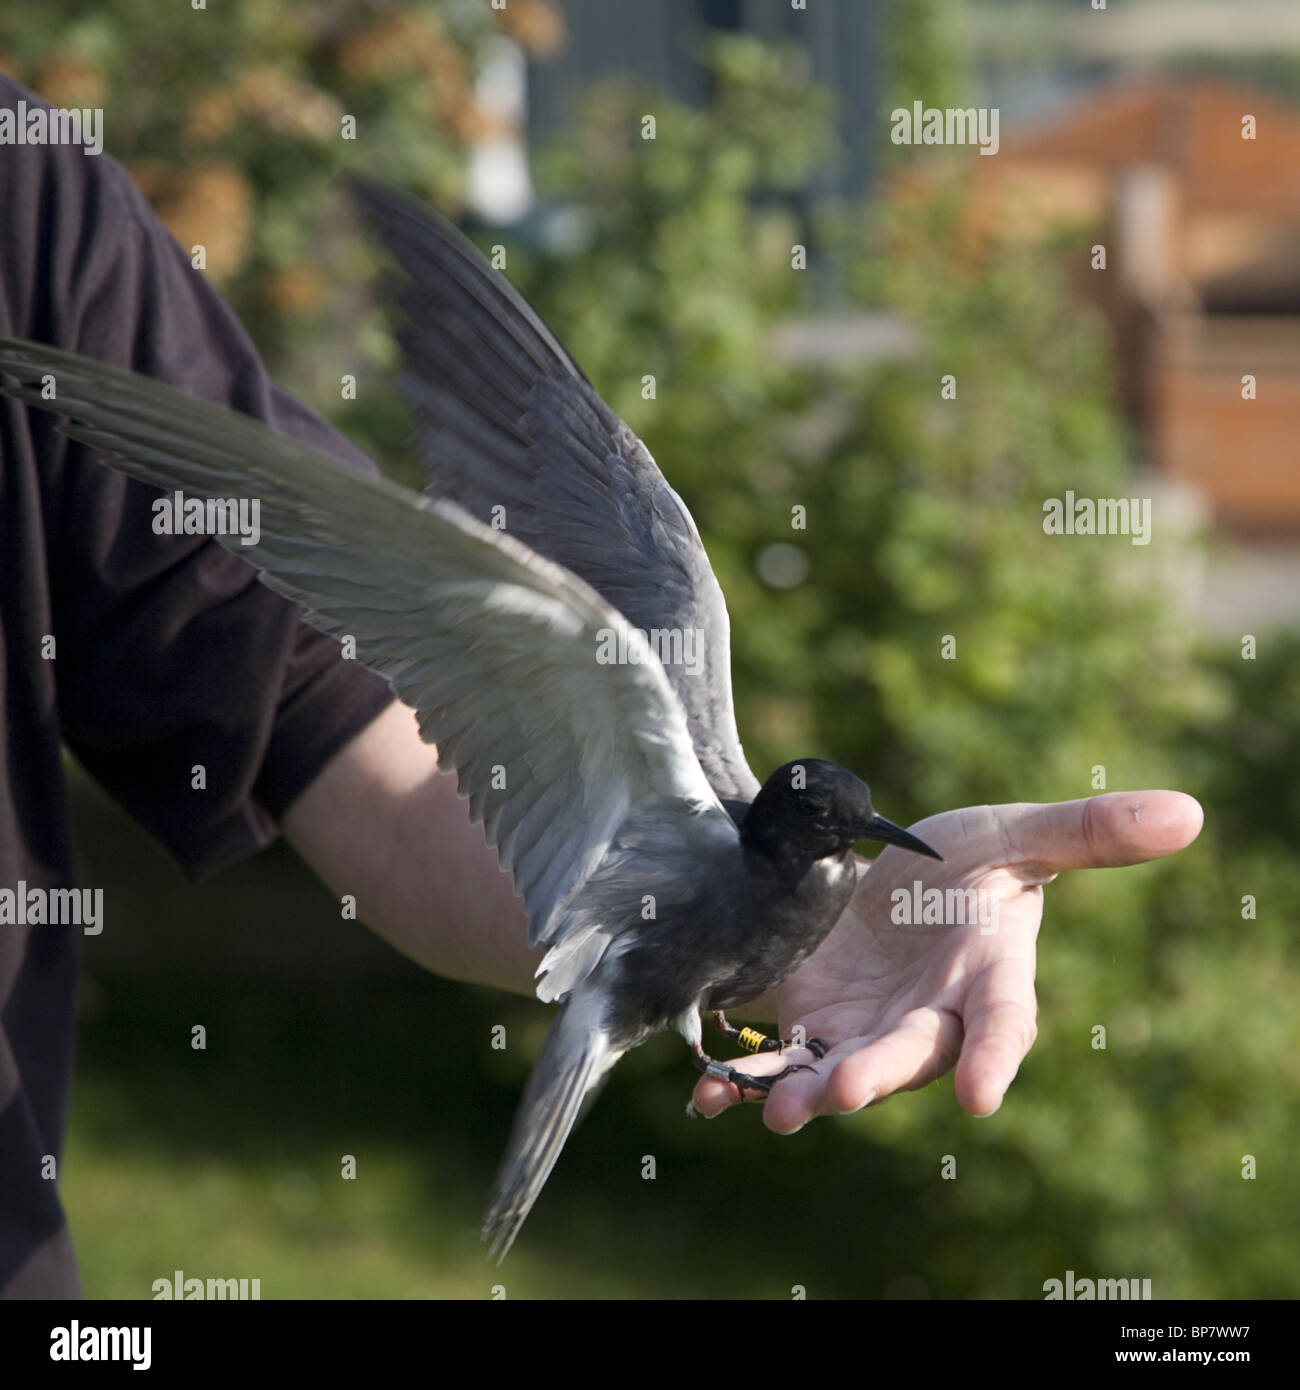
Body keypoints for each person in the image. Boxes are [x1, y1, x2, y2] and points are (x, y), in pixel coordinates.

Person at [0, 76, 1202, 1297]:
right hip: (630, 983)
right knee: (600, 618)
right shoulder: (644, 731)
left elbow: (330, 718)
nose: (855, 845)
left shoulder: (29, 190)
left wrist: (837, 932)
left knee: (663, 550)